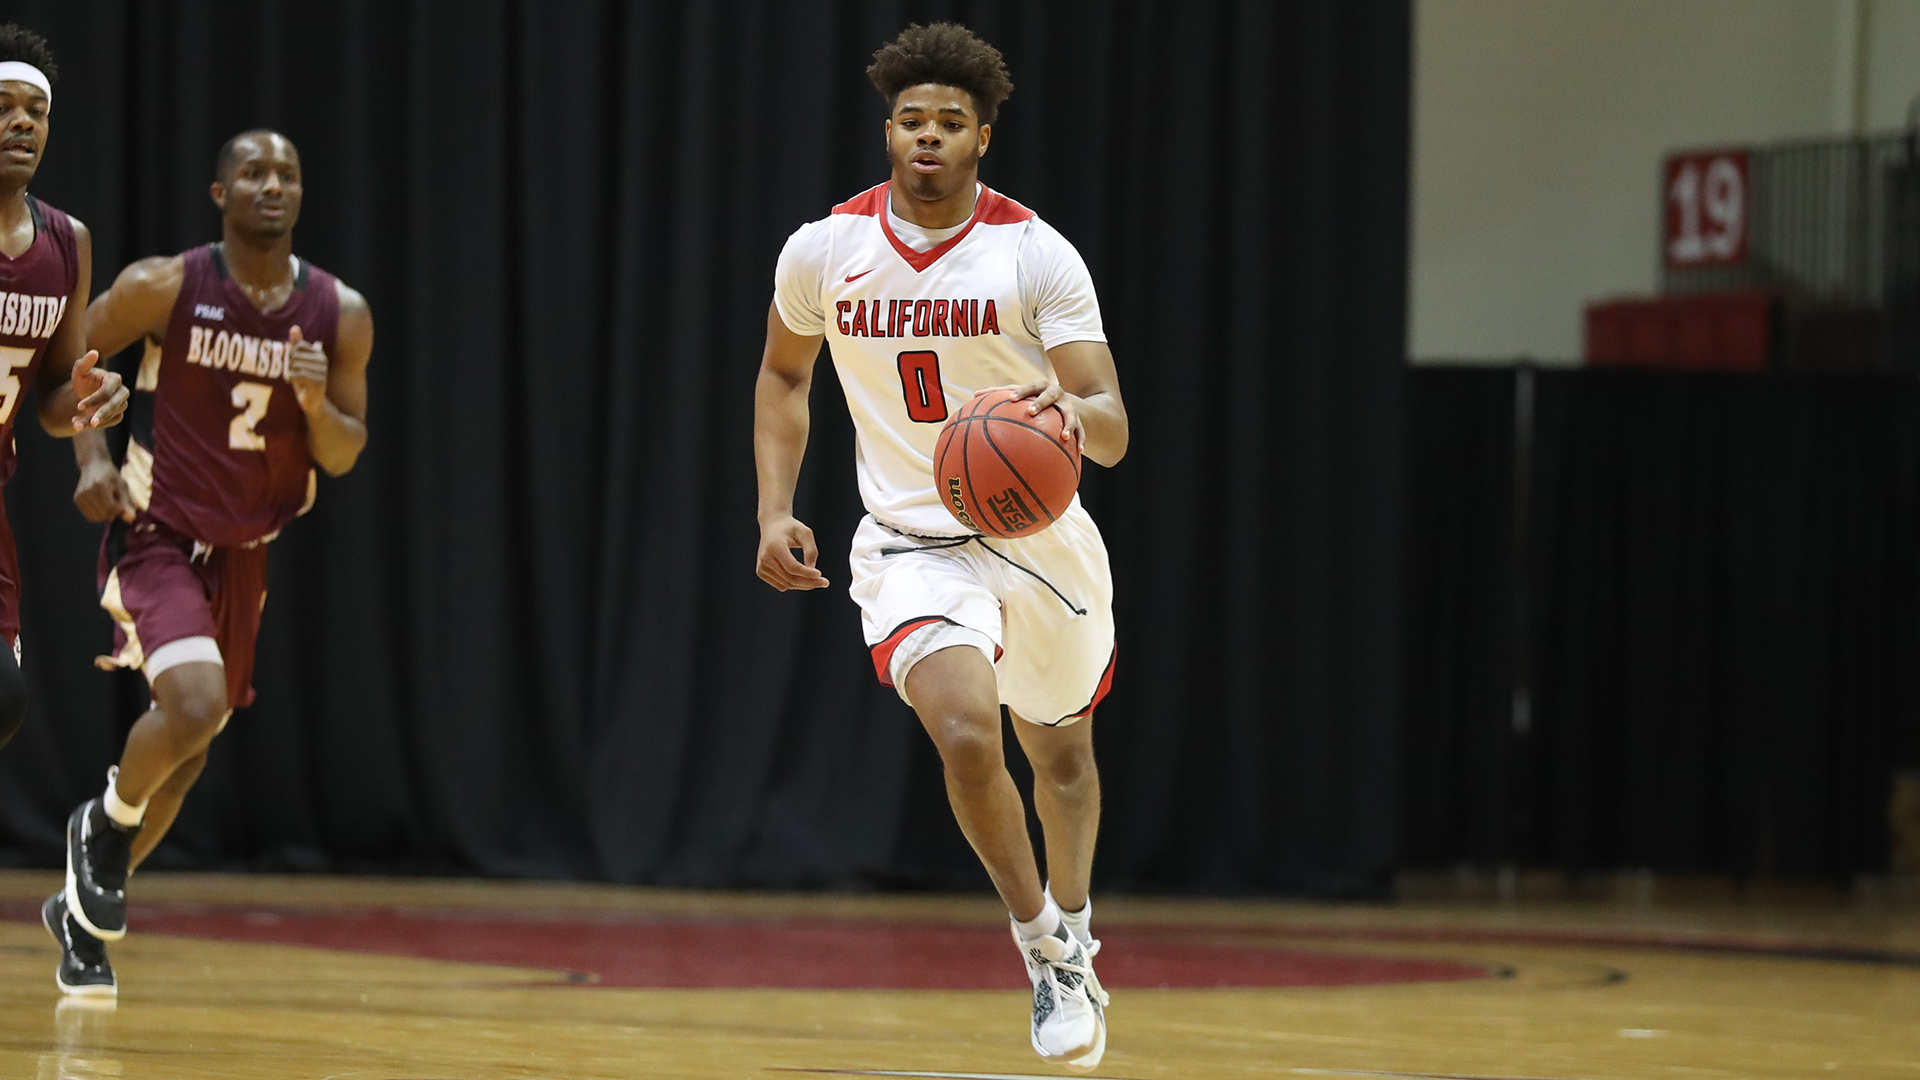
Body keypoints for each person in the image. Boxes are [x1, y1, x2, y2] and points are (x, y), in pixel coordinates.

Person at [754, 23, 1127, 1071]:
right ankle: (1044, 949)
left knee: (1063, 757)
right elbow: (784, 378)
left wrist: (1073, 412)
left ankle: (1079, 915)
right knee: (968, 733)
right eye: (912, 120)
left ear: (983, 139)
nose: (928, 136)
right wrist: (772, 509)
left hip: (1043, 537)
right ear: (888, 131)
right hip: (913, 542)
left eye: (949, 123)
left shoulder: (1034, 253)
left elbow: (1111, 418)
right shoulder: (824, 249)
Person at [50, 128, 372, 997]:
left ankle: (81, 918)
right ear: (219, 194)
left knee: (188, 756)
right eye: (254, 173)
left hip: (246, 555)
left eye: (290, 174)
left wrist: (311, 400)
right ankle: (103, 828)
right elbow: (70, 360)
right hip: (155, 532)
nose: (274, 184)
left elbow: (343, 452)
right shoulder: (167, 284)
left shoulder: (339, 313)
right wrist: (92, 461)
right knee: (190, 706)